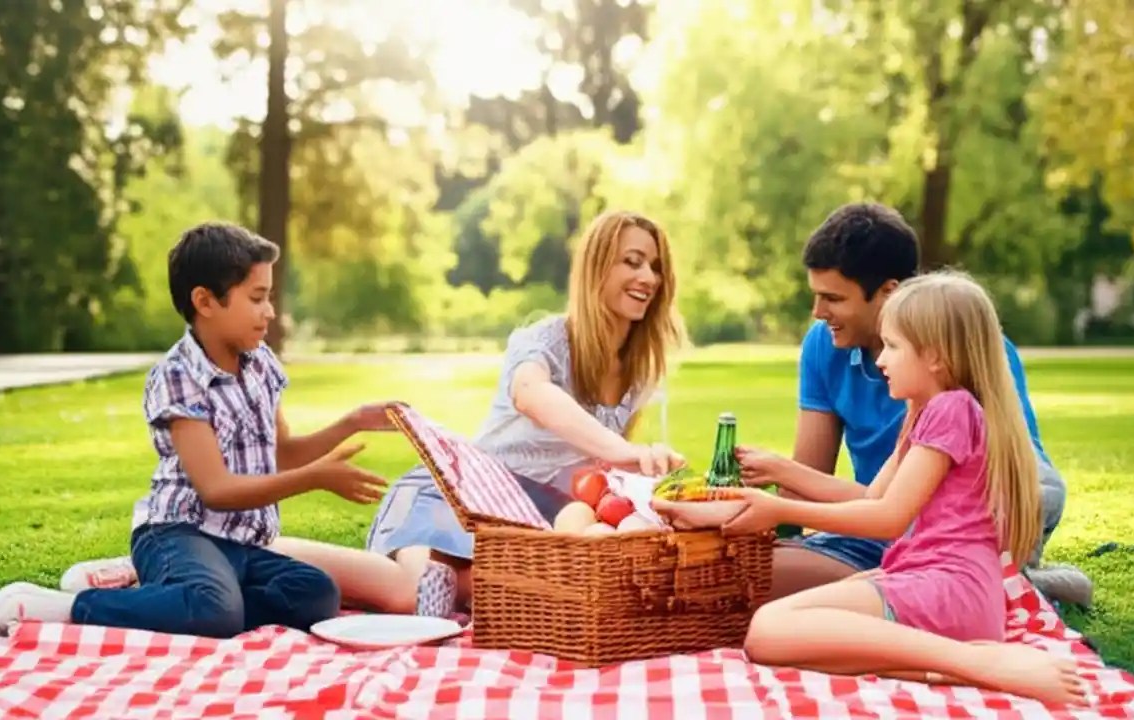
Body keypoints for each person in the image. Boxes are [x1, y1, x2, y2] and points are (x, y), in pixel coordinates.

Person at [654, 271, 1086, 706]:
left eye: (894, 346)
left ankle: (979, 664)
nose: (881, 360)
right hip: (943, 588)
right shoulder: (926, 411)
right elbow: (869, 499)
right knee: (803, 643)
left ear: (935, 357)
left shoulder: (951, 409)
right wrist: (741, 500)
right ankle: (955, 664)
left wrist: (779, 511)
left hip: (949, 591)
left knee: (768, 629)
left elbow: (887, 519)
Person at [0, 222, 411, 639]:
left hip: (238, 543)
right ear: (205, 302)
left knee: (316, 596)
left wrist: (354, 420)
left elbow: (280, 455)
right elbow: (216, 490)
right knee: (213, 610)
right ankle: (68, 607)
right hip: (177, 532)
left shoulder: (261, 365)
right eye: (257, 298)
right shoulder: (178, 376)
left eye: (269, 297)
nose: (270, 311)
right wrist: (316, 479)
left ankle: (166, 599)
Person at [736, 202, 1091, 607]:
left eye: (832, 298)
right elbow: (874, 502)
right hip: (890, 522)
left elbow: (1013, 487)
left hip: (966, 528)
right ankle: (1015, 584)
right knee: (750, 580)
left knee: (765, 596)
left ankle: (1017, 583)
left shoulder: (963, 363)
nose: (818, 313)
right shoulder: (840, 357)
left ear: (889, 292)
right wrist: (772, 491)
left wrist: (777, 509)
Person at [368, 209, 688, 615]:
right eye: (632, 261)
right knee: (417, 579)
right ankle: (419, 581)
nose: (649, 277)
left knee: (521, 583)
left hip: (534, 519)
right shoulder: (546, 338)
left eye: (656, 267)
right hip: (466, 492)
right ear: (597, 267)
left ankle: (445, 590)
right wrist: (621, 451)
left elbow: (593, 477)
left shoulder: (638, 371)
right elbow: (531, 394)